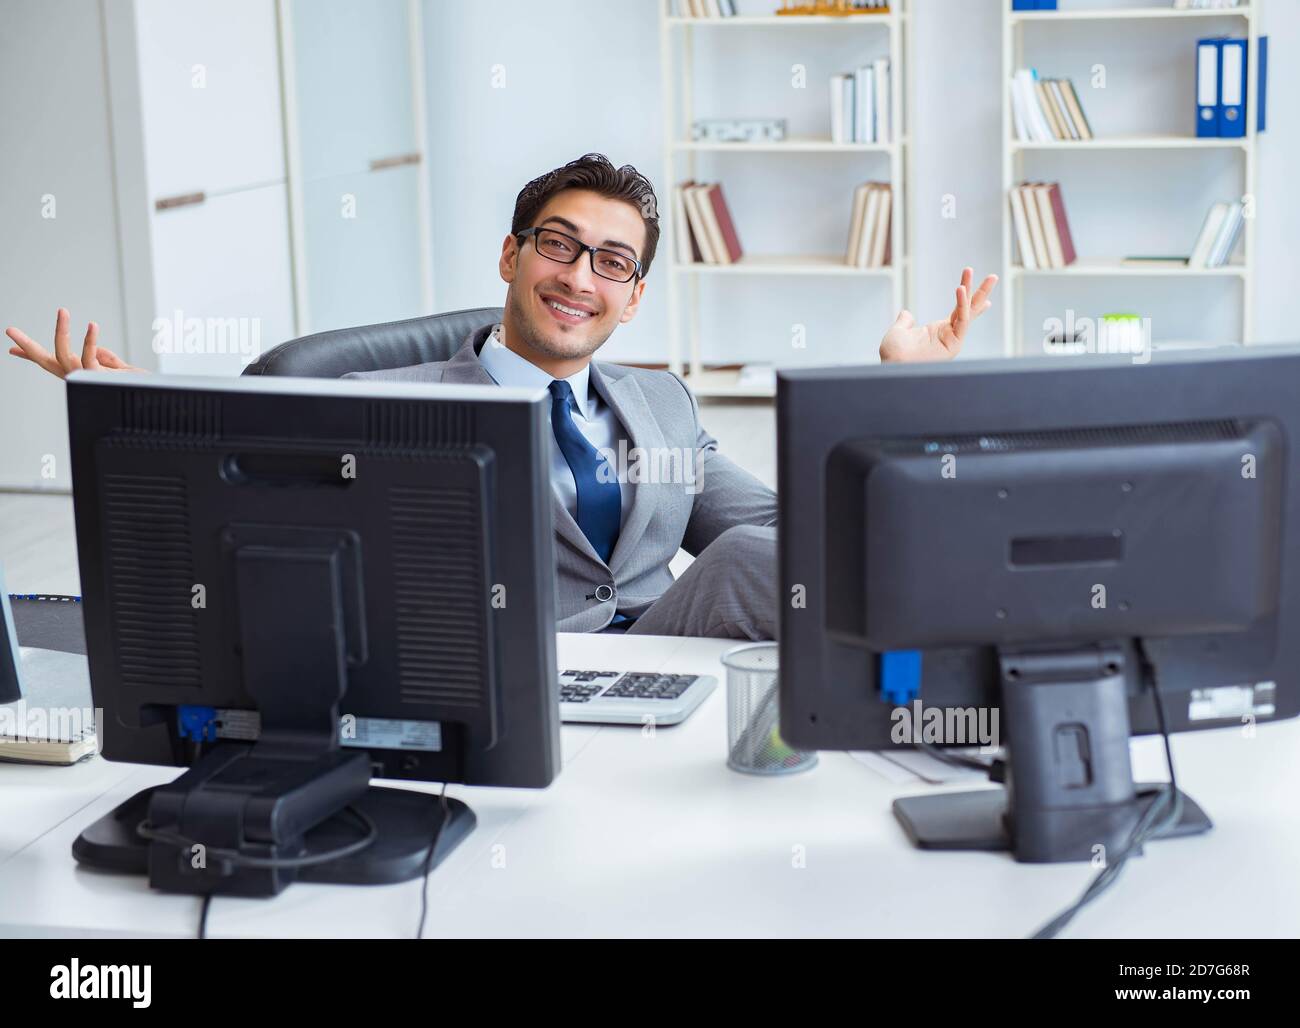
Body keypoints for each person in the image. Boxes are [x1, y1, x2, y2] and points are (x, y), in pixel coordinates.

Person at [6, 153, 996, 640]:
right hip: (504, 663)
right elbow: (255, 483)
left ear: (632, 297)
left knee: (763, 552)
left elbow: (787, 535)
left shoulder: (662, 407)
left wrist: (894, 404)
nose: (577, 277)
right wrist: (138, 411)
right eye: (557, 245)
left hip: (662, 654)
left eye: (611, 261)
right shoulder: (388, 399)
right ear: (512, 256)